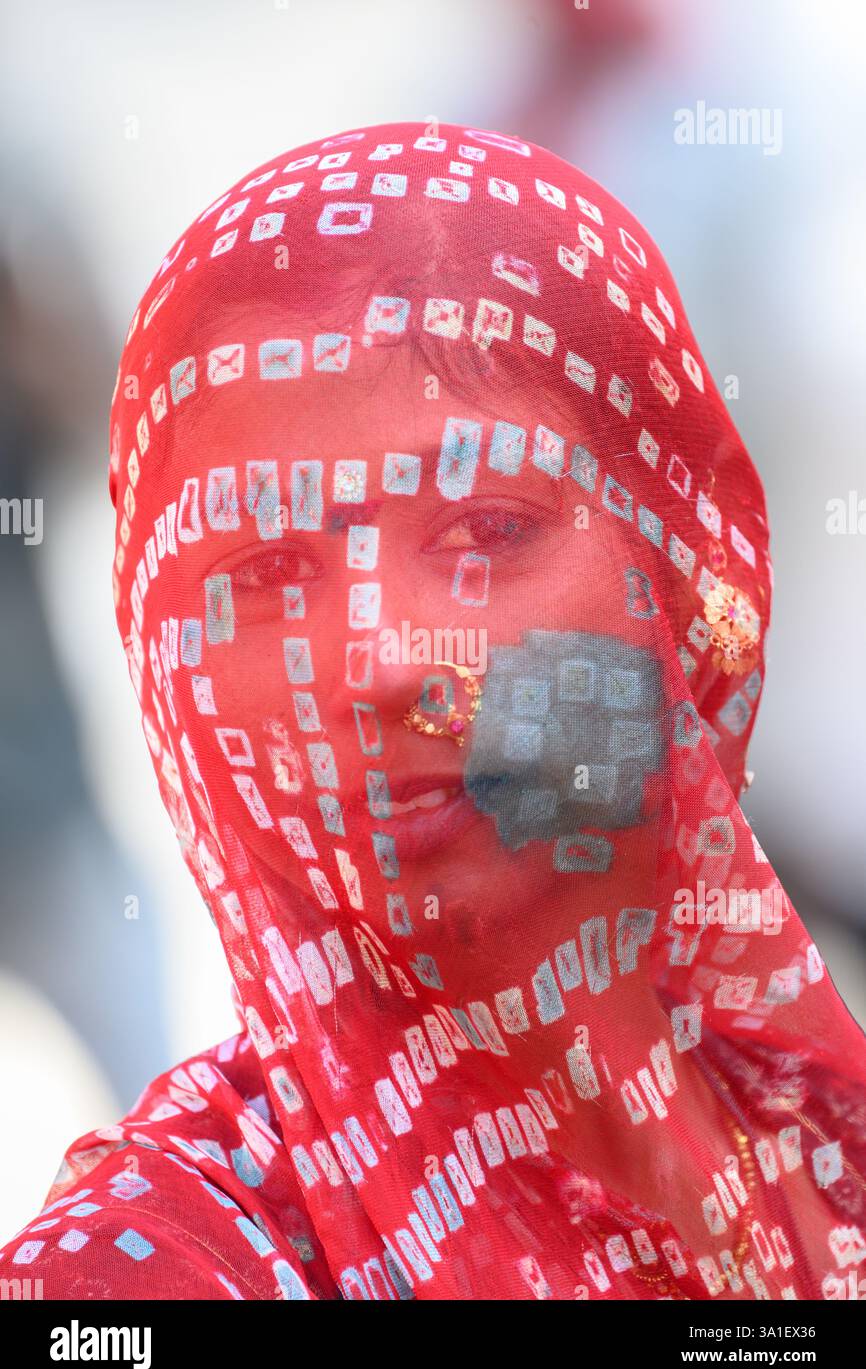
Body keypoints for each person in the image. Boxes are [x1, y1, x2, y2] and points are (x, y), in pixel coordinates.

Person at [2, 120, 865, 1301]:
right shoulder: (146, 1275)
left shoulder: (823, 1152)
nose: (382, 662)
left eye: (486, 532)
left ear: (689, 584)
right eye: (263, 574)